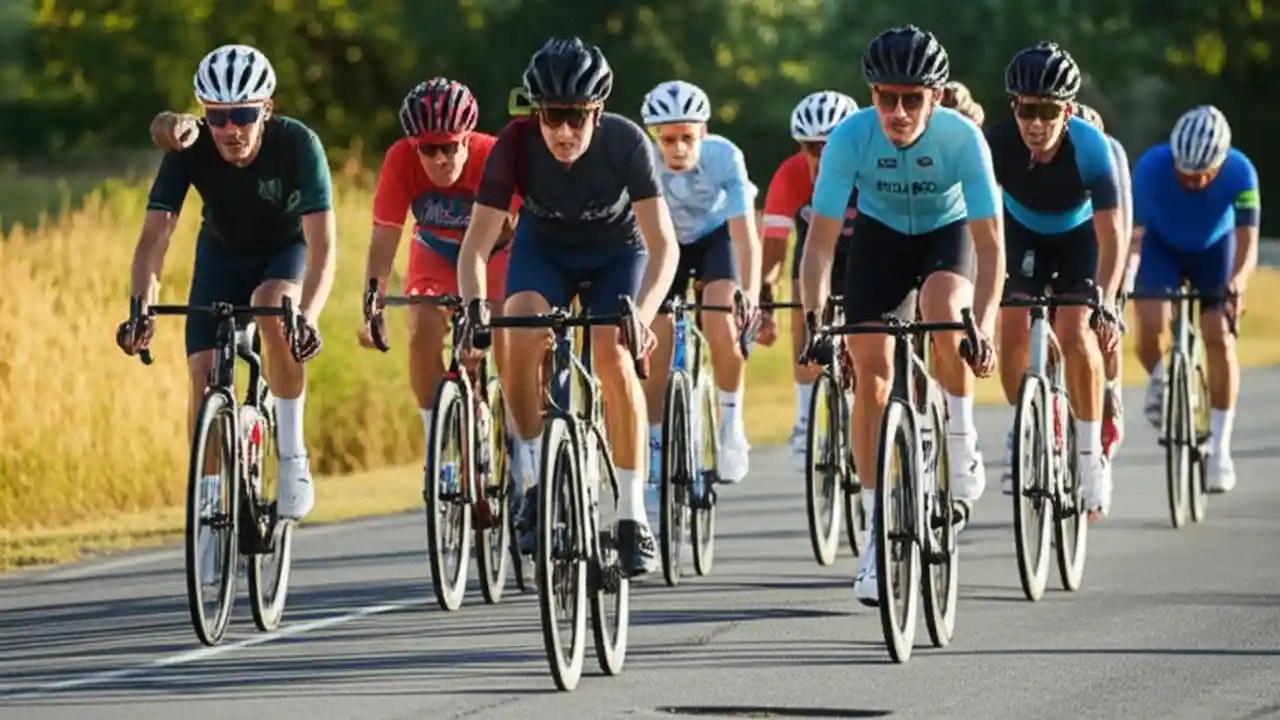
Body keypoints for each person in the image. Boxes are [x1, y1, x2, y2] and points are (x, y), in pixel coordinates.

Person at [454, 37, 680, 577]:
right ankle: (531, 478)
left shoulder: (626, 142)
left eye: (576, 116)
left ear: (596, 112)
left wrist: (643, 317)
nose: (563, 131)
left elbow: (664, 245)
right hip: (545, 250)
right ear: (536, 112)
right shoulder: (514, 145)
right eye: (552, 116)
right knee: (518, 331)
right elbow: (476, 247)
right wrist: (473, 310)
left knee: (614, 352)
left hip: (617, 253)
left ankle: (631, 513)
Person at [799, 25, 1003, 606]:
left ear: (935, 98)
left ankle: (959, 433)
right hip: (881, 239)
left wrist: (982, 326)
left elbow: (991, 249)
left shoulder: (964, 139)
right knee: (871, 373)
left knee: (944, 309)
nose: (899, 111)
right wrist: (816, 323)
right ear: (872, 97)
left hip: (948, 232)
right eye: (886, 97)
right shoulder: (849, 139)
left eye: (913, 99)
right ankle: (872, 542)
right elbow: (819, 247)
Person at [117, 45, 334, 584]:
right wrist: (141, 306)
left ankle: (291, 455)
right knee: (201, 371)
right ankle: (209, 502)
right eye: (217, 116)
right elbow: (154, 238)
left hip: (285, 253)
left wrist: (307, 314)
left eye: (243, 115)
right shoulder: (189, 148)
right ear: (203, 114)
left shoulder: (297, 143)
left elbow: (324, 244)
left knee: (269, 305)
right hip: (220, 255)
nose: (231, 129)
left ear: (267, 109)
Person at [987, 42, 1124, 516]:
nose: (1036, 123)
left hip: (1079, 238)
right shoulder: (997, 144)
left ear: (1067, 111)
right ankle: (1026, 422)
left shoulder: (1091, 146)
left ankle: (1090, 458)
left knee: (1073, 329)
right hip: (1022, 236)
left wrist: (1103, 295)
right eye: (1027, 109)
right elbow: (973, 221)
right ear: (1014, 107)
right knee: (1009, 329)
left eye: (1048, 110)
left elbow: (1112, 233)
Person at [358, 77, 520, 455]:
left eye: (449, 147)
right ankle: (436, 439)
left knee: (502, 334)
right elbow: (385, 234)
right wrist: (372, 301)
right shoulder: (399, 160)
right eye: (428, 150)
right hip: (436, 248)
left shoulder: (494, 157)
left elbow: (513, 229)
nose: (440, 159)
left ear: (467, 138)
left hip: (494, 250)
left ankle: (518, 433)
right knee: (422, 329)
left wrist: (479, 309)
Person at [637, 80, 761, 509]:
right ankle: (654, 450)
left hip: (713, 240)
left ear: (703, 133)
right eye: (668, 139)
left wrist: (749, 292)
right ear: (655, 136)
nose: (678, 149)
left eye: (687, 137)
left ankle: (730, 425)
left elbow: (746, 237)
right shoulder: (642, 159)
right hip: (662, 243)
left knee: (720, 316)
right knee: (654, 338)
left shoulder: (725, 156)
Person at [1130, 105, 1259, 493]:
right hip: (1160, 248)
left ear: (1221, 163)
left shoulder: (1241, 172)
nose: (1194, 181)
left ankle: (1219, 448)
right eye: (1185, 173)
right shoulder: (1151, 168)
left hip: (1214, 251)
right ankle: (1161, 383)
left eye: (1204, 174)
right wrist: (1128, 277)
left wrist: (1238, 281)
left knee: (1218, 334)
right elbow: (1134, 237)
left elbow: (1247, 240)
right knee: (1150, 319)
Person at [759, 90, 859, 469]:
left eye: (829, 147)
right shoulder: (791, 175)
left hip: (865, 250)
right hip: (816, 252)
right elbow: (773, 249)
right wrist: (765, 301)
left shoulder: (870, 169)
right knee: (804, 310)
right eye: (811, 148)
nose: (820, 157)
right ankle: (805, 417)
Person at [1074, 102, 1133, 461]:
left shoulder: (1110, 154)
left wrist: (1117, 287)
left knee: (1103, 322)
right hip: (1063, 241)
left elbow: (1122, 224)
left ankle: (1110, 390)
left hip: (1102, 241)